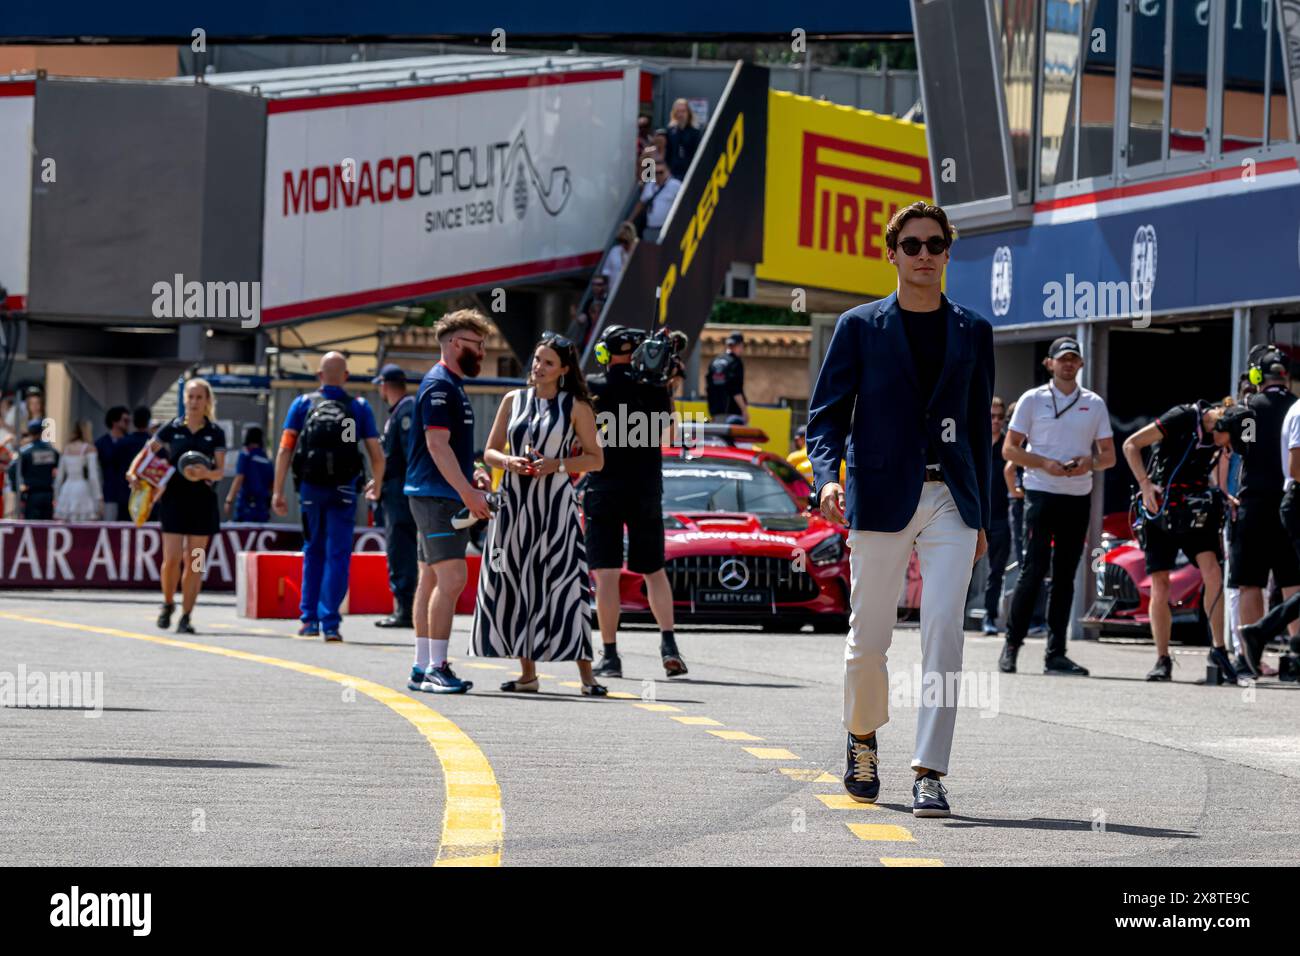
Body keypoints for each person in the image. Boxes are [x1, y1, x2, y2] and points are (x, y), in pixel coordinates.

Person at [807, 200, 994, 819]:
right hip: (880, 494)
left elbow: (974, 427)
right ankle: (862, 738)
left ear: (947, 252)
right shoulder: (860, 327)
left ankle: (929, 770)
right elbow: (827, 416)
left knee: (945, 631)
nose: (923, 255)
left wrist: (984, 515)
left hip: (952, 499)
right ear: (891, 254)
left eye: (934, 244)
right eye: (911, 245)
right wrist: (826, 478)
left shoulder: (974, 330)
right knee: (870, 637)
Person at [474, 332, 608, 695]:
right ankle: (528, 675)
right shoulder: (512, 399)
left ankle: (587, 678)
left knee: (565, 584)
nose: (538, 367)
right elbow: (489, 451)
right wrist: (509, 462)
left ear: (563, 369)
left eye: (548, 362)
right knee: (515, 581)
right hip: (514, 503)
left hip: (555, 506)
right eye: (536, 359)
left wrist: (557, 464)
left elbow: (596, 459)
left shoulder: (576, 406)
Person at [1000, 338, 1116, 676]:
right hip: (1040, 492)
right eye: (1062, 359)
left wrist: (1088, 463)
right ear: (1049, 364)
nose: (1068, 364)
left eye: (1073, 359)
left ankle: (1056, 654)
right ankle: (1011, 646)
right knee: (1032, 570)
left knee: (1065, 576)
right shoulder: (1031, 400)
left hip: (1077, 496)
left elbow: (1108, 455)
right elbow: (1009, 450)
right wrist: (1044, 463)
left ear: (1080, 365)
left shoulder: (1093, 404)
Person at [1122, 401, 1253, 682]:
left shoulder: (1223, 436)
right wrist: (1145, 484)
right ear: (1219, 426)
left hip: (1196, 506)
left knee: (1213, 572)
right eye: (1227, 443)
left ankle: (1218, 650)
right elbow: (1130, 445)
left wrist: (1221, 493)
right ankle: (1162, 659)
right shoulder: (1182, 418)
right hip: (1160, 506)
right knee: (1161, 581)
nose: (1226, 449)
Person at [586, 324, 685, 679]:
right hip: (644, 488)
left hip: (604, 489)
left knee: (607, 574)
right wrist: (667, 382)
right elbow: (671, 435)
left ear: (604, 353)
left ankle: (610, 655)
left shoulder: (593, 387)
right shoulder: (654, 389)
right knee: (654, 570)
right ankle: (668, 644)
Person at [403, 310, 494, 694]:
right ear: (457, 343)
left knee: (430, 578)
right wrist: (467, 493)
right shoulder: (441, 385)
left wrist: (473, 470)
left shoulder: (449, 384)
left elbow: (449, 447)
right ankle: (437, 666)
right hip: (437, 496)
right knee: (453, 578)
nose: (483, 352)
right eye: (478, 345)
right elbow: (436, 445)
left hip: (432, 494)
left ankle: (423, 666)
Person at [272, 352, 384, 642]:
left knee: (313, 549)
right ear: (346, 376)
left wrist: (277, 491)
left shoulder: (302, 404)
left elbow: (285, 449)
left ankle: (308, 620)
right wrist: (377, 484)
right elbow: (376, 454)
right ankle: (330, 622)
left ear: (319, 376)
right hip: (345, 489)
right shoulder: (358, 407)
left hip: (311, 488)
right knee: (338, 554)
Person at [127, 379, 225, 634]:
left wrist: (205, 472)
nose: (194, 402)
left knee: (195, 561)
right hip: (174, 498)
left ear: (207, 401)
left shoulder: (215, 432)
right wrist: (133, 471)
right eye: (190, 397)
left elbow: (220, 471)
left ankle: (187, 614)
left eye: (199, 398)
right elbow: (147, 452)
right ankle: (168, 602)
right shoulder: (172, 428)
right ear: (185, 400)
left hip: (203, 502)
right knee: (171, 559)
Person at [1227, 347, 1300, 667]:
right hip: (1289, 501)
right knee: (1293, 581)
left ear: (1258, 376)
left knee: (1250, 581)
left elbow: (1242, 449)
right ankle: (1295, 653)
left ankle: (1248, 655)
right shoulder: (1296, 407)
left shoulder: (1249, 409)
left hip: (1254, 503)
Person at [373, 364, 417, 629]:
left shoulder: (405, 411)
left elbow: (406, 455)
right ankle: (404, 607)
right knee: (400, 548)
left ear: (385, 385)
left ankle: (405, 609)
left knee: (400, 548)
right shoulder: (401, 410)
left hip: (400, 492)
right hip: (397, 488)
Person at [982, 397, 1012, 635]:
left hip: (1002, 517)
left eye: (1000, 417)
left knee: (996, 572)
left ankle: (989, 617)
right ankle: (955, 617)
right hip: (975, 516)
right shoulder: (975, 444)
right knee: (963, 572)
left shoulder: (1007, 446)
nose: (996, 421)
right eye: (992, 416)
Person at [54, 419, 102, 521]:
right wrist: (98, 498)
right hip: (82, 489)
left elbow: (59, 478)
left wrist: (57, 496)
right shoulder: (89, 448)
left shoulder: (66, 448)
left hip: (66, 489)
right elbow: (93, 476)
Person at [224, 427, 274, 522]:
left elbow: (239, 478)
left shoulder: (245, 455)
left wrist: (229, 500)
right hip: (262, 506)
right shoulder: (266, 459)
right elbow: (272, 484)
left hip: (246, 505)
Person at [11, 420, 58, 519]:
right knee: (46, 527)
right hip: (48, 494)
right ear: (42, 432)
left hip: (31, 495)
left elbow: (12, 469)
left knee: (32, 527)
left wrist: (16, 488)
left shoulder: (25, 452)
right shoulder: (51, 451)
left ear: (29, 433)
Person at [630, 158, 680, 242]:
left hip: (667, 229)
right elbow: (641, 203)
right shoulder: (650, 185)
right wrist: (630, 220)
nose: (658, 175)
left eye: (661, 172)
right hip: (650, 229)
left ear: (667, 171)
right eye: (656, 173)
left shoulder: (675, 185)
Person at [96, 406, 131, 520]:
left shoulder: (131, 442)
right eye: (125, 420)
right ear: (114, 421)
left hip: (128, 494)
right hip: (109, 493)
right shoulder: (101, 443)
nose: (128, 424)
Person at [706, 332, 747, 422]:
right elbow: (735, 389)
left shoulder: (715, 361)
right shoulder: (735, 362)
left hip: (716, 412)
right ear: (740, 345)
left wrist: (712, 412)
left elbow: (709, 388)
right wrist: (744, 410)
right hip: (732, 414)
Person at [665, 98, 702, 181]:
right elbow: (667, 154)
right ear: (674, 113)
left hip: (689, 173)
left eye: (683, 111)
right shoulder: (670, 131)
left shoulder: (695, 132)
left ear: (688, 113)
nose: (680, 114)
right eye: (678, 111)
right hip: (672, 174)